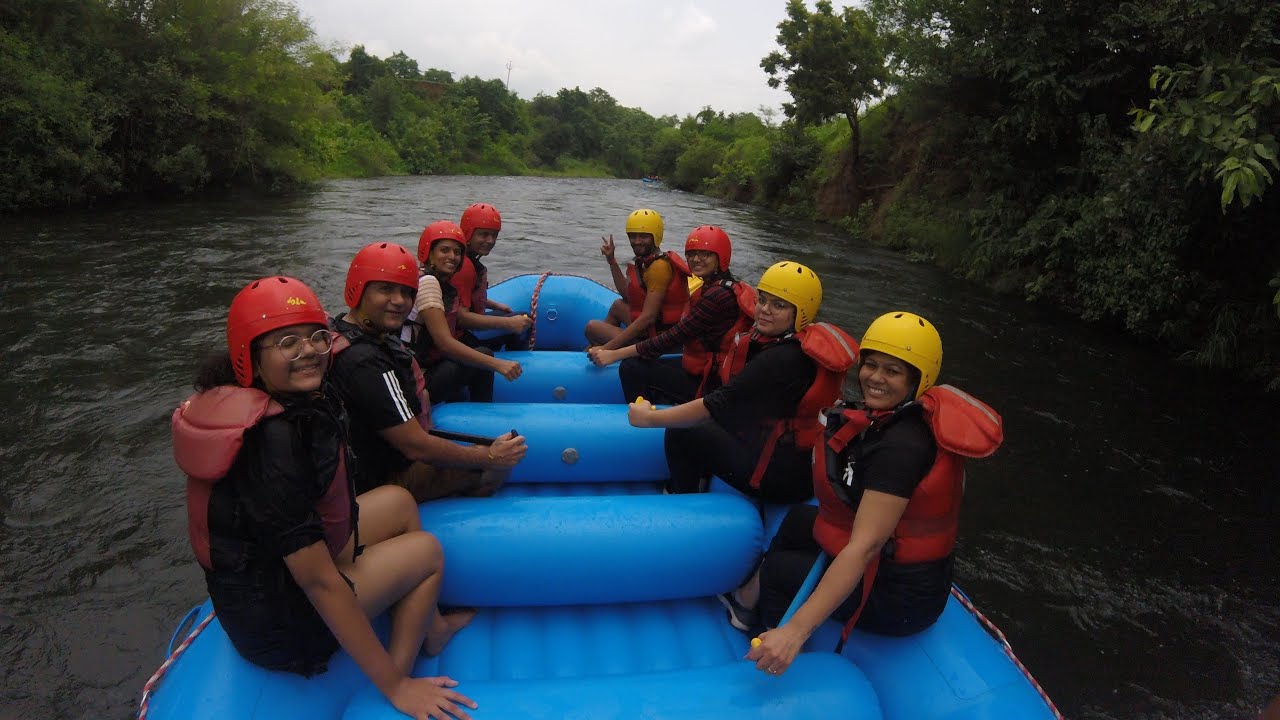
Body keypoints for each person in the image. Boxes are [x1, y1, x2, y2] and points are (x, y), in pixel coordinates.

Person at [173, 276, 478, 719]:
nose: (309, 351)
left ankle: (431, 629)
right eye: (286, 343)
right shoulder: (270, 445)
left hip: (271, 573)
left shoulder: (273, 404)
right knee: (427, 551)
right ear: (250, 357)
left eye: (316, 337)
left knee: (396, 500)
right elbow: (317, 580)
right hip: (282, 623)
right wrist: (396, 687)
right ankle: (396, 679)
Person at [731, 312, 1004, 678]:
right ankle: (750, 601)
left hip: (899, 595)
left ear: (916, 379)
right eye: (871, 365)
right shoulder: (894, 418)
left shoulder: (902, 448)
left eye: (892, 371)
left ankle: (770, 648)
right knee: (799, 521)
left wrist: (796, 632)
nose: (875, 378)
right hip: (895, 562)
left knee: (780, 571)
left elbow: (866, 547)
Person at [626, 261, 857, 504]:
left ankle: (680, 501)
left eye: (779, 305)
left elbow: (715, 405)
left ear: (801, 314)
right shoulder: (781, 343)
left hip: (780, 478)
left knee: (682, 433)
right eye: (763, 300)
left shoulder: (785, 359)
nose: (765, 310)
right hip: (778, 455)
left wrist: (648, 419)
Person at [328, 241, 527, 502]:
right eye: (385, 289)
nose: (399, 301)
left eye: (406, 292)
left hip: (374, 456)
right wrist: (489, 456)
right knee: (494, 467)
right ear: (358, 290)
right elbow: (415, 445)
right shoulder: (365, 361)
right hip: (377, 479)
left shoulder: (354, 332)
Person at [588, 225, 755, 404]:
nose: (696, 259)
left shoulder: (718, 297)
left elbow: (672, 337)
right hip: (702, 369)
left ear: (720, 256)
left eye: (704, 254)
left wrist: (613, 353)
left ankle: (642, 421)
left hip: (709, 385)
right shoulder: (718, 287)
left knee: (632, 367)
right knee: (641, 361)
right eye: (691, 254)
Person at [408, 220, 522, 404]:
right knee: (485, 355)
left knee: (481, 355)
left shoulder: (431, 279)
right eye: (444, 250)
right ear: (429, 252)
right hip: (419, 378)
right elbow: (444, 343)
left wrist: (492, 304)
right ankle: (482, 413)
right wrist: (498, 365)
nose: (452, 257)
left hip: (425, 366)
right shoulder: (429, 284)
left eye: (457, 252)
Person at [584, 208, 690, 349]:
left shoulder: (659, 267)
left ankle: (601, 349)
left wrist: (606, 349)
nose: (637, 241)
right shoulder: (646, 261)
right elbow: (626, 295)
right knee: (618, 306)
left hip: (660, 340)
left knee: (592, 327)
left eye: (643, 236)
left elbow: (648, 317)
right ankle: (598, 347)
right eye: (633, 236)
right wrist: (611, 260)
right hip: (656, 327)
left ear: (655, 236)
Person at [450, 202, 533, 351]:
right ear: (468, 233)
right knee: (525, 320)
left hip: (465, 329)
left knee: (510, 315)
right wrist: (509, 323)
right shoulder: (464, 266)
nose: (490, 241)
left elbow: (459, 297)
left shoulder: (465, 259)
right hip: (463, 336)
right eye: (483, 234)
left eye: (494, 235)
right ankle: (519, 362)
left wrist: (493, 305)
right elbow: (461, 318)